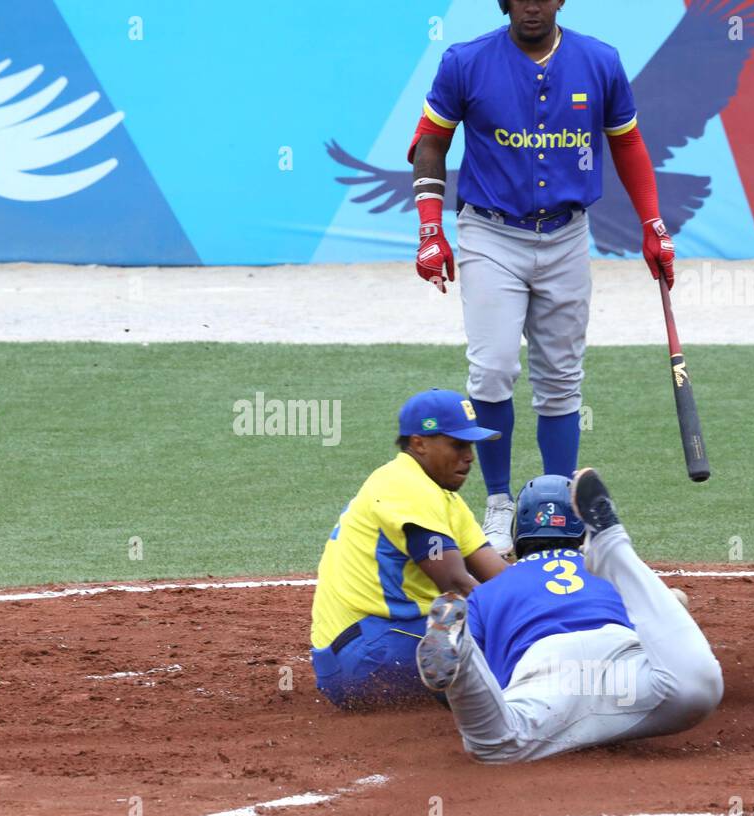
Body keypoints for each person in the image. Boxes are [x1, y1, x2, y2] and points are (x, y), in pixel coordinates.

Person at [408, 0, 675, 553]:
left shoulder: (599, 61)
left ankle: (561, 504)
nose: (532, 3)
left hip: (567, 235)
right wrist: (430, 230)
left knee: (560, 378)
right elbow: (430, 141)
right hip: (490, 232)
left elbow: (626, 141)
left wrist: (653, 223)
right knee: (493, 368)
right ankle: (501, 504)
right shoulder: (466, 61)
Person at [416, 468, 723, 762]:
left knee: (498, 745)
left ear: (519, 531)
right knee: (696, 692)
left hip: (546, 680)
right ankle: (614, 548)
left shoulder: (489, 592)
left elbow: (447, 697)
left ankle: (463, 648)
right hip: (623, 666)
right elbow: (663, 624)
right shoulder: (603, 580)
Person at [310, 389, 510, 707]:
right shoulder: (403, 486)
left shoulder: (444, 498)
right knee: (505, 647)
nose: (469, 456)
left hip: (375, 645)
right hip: (366, 654)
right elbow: (457, 584)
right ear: (419, 443)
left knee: (509, 625)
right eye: (458, 445)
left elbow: (501, 580)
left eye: (470, 445)